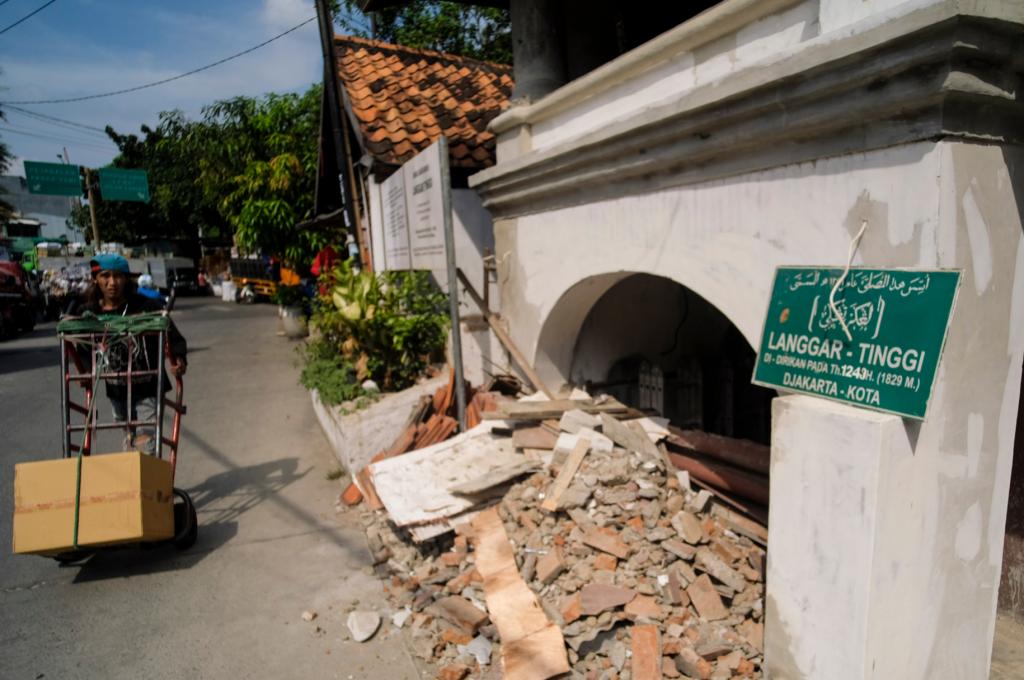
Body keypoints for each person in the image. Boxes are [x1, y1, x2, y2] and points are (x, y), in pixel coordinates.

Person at [69, 254, 187, 454]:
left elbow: (172, 334)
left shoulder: (145, 307)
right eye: (105, 276)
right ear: (95, 279)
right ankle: (135, 478)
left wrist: (179, 359)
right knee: (130, 436)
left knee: (146, 439)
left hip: (148, 384)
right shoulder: (89, 312)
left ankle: (147, 482)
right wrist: (86, 371)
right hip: (116, 387)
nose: (112, 282)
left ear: (126, 279)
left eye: (118, 276)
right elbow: (83, 348)